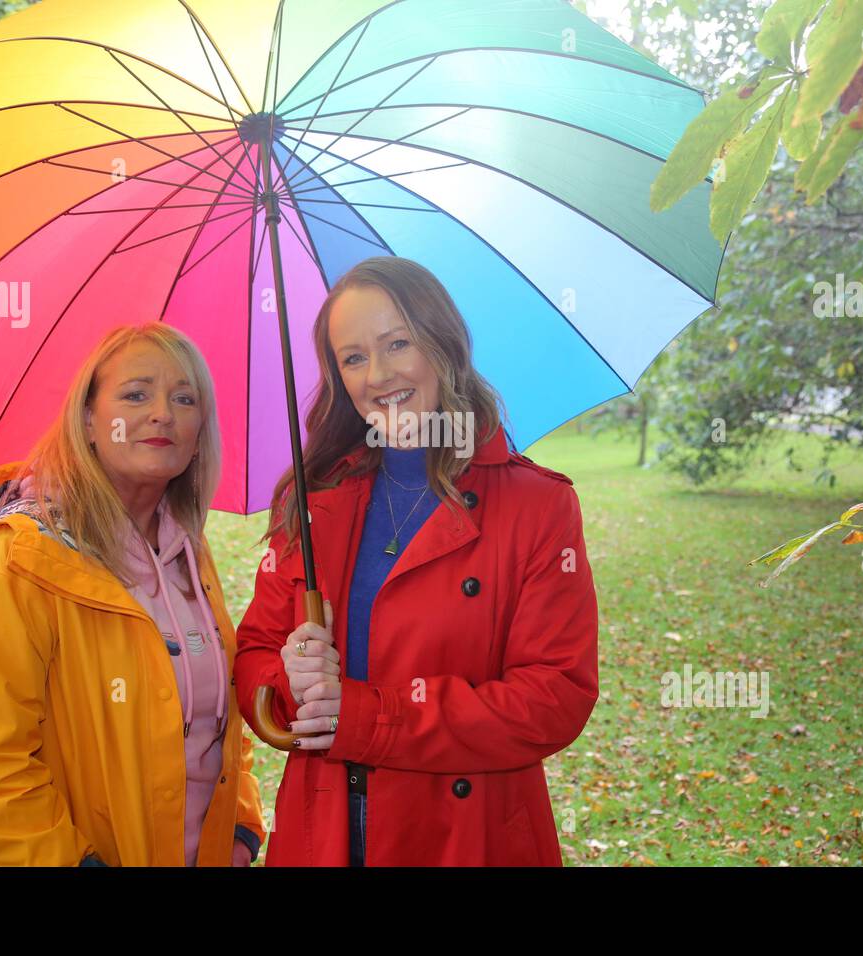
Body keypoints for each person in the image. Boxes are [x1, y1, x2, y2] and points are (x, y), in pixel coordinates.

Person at [234, 257, 599, 866]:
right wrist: (291, 683)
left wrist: (372, 718)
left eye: (396, 343)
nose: (377, 375)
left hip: (466, 839)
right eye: (352, 357)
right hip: (323, 835)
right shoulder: (315, 497)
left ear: (443, 343)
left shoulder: (538, 505)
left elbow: (554, 697)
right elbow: (254, 657)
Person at [0, 323, 265, 866]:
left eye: (184, 398)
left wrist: (239, 826)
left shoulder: (186, 553)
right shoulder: (15, 563)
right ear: (88, 420)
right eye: (136, 394)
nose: (163, 412)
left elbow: (214, 719)